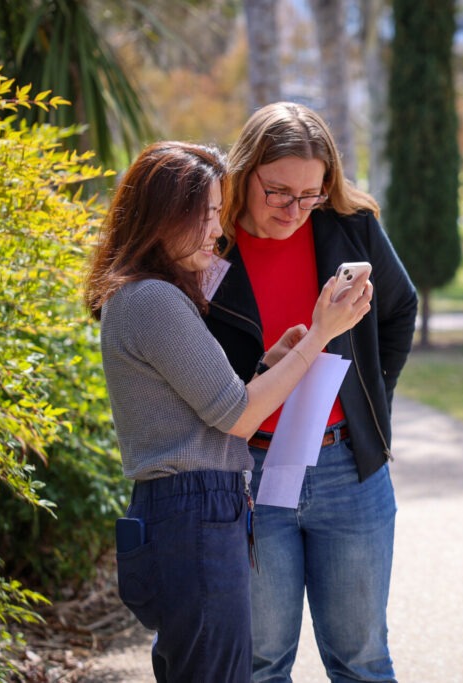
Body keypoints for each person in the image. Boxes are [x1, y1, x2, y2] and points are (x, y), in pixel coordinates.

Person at [85, 141, 371, 681]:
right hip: (192, 514)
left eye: (219, 211)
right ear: (165, 216)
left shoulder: (150, 297)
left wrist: (271, 366)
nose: (218, 231)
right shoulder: (155, 300)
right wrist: (322, 335)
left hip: (187, 510)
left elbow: (215, 403)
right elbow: (238, 417)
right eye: (207, 214)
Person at [203, 103, 419, 683]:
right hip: (246, 473)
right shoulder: (207, 244)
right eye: (277, 192)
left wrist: (371, 400)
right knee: (260, 662)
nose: (294, 211)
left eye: (310, 195)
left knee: (362, 661)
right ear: (243, 172)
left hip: (349, 468)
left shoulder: (351, 227)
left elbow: (400, 309)